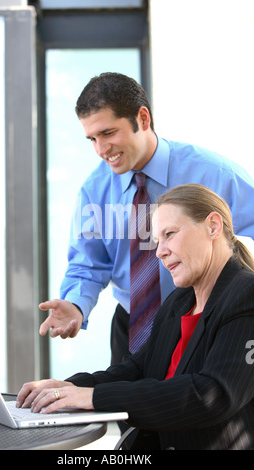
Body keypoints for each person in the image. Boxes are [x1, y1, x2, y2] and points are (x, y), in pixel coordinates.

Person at [16, 184, 254, 450]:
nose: (160, 252)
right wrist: (68, 387)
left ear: (212, 226)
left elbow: (212, 394)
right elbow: (139, 369)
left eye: (170, 234)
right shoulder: (180, 301)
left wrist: (95, 397)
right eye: (157, 242)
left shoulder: (247, 295)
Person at [39, 72, 254, 365]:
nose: (101, 150)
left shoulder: (215, 175)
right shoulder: (95, 191)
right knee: (127, 404)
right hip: (132, 329)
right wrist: (76, 304)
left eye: (108, 133)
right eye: (92, 139)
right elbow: (89, 264)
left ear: (142, 118)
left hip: (205, 322)